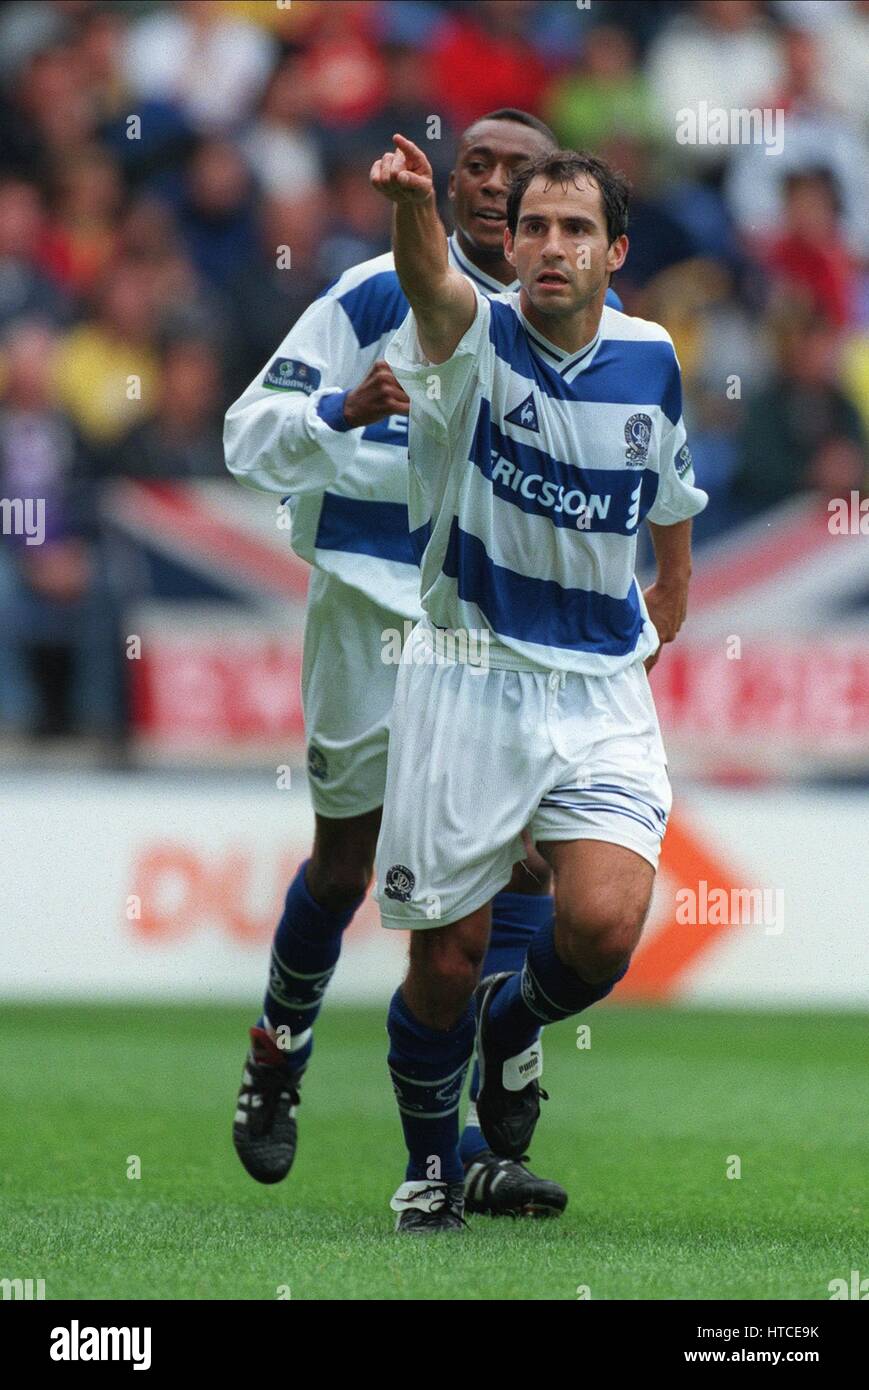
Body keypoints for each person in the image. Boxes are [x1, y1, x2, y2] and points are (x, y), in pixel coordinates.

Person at [224, 111, 625, 1218]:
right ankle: (279, 1050)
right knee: (348, 872)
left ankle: (476, 1113)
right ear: (449, 190)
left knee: (529, 864)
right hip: (368, 619)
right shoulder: (370, 295)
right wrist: (337, 412)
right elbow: (243, 433)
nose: (494, 185)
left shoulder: (584, 324)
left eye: (519, 170)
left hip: (494, 640)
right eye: (477, 166)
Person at [369, 135, 706, 1232]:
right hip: (469, 673)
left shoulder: (651, 356)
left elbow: (668, 490)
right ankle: (428, 1166)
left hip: (597, 684)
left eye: (574, 230)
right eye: (532, 229)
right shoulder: (472, 338)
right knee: (445, 955)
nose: (550, 248)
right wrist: (416, 206)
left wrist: (670, 593)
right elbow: (428, 278)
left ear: (614, 251)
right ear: (505, 248)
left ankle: (510, 1029)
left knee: (604, 928)